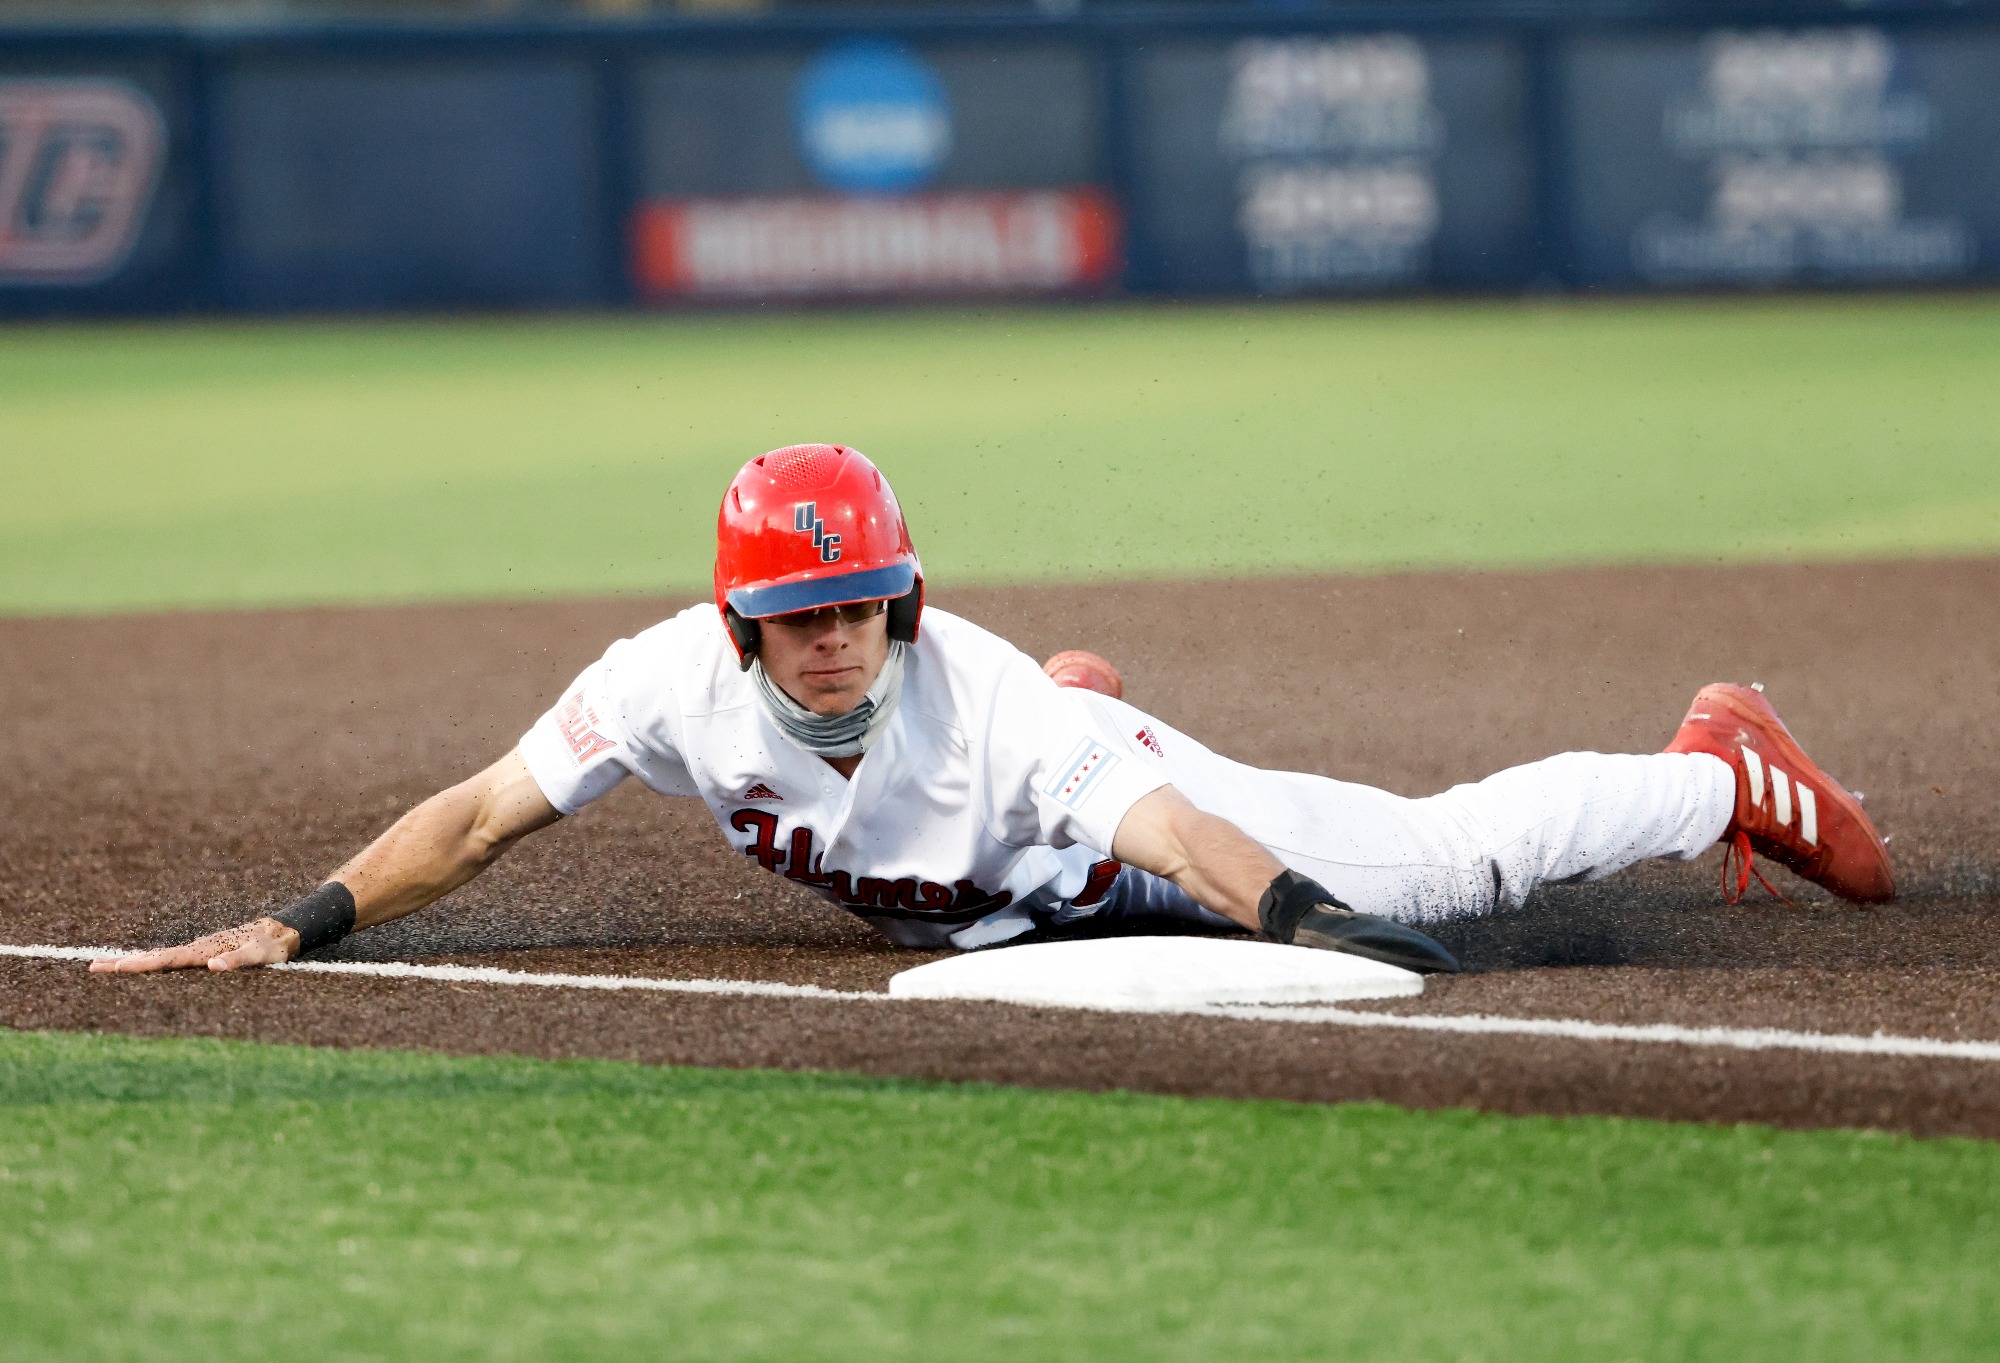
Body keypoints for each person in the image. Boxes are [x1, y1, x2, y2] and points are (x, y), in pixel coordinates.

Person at [93, 444, 1894, 980]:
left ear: (906, 597)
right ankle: (1105, 744)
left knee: (1459, 860)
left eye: (860, 606)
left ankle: (1706, 767)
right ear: (740, 622)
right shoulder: (656, 684)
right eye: (796, 616)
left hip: (1120, 832)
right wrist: (301, 920)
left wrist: (1323, 922)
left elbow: (1183, 843)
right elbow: (481, 817)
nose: (832, 639)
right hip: (1026, 842)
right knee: (1060, 795)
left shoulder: (985, 701)